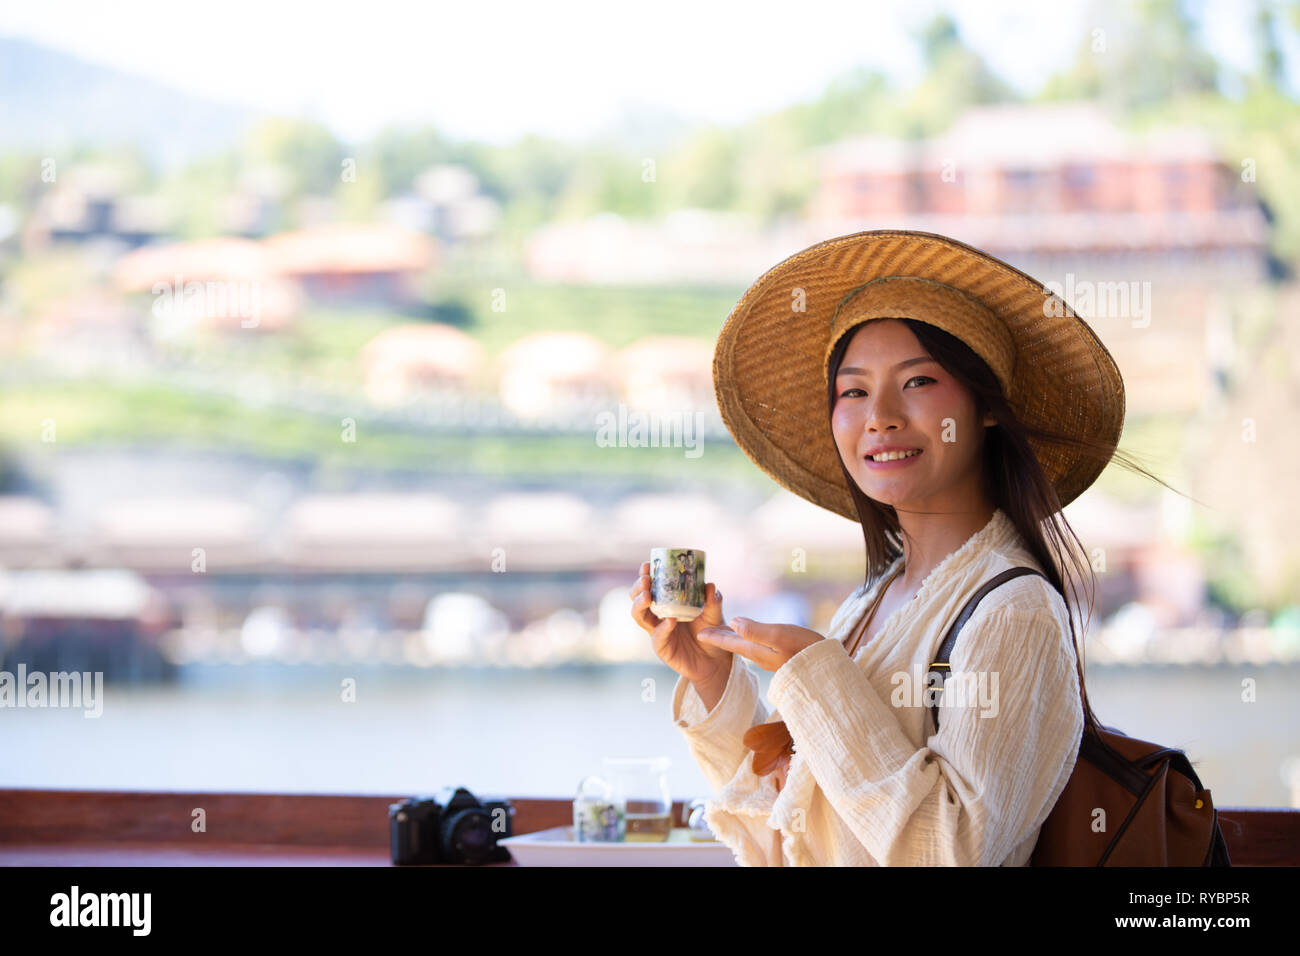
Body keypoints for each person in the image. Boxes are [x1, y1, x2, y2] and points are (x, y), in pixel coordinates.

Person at [628, 230, 1174, 866]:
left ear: (986, 407)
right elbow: (789, 843)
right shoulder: (869, 604)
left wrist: (813, 670)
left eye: (917, 382)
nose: (879, 416)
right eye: (853, 391)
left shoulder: (1014, 612)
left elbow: (948, 852)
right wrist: (716, 679)